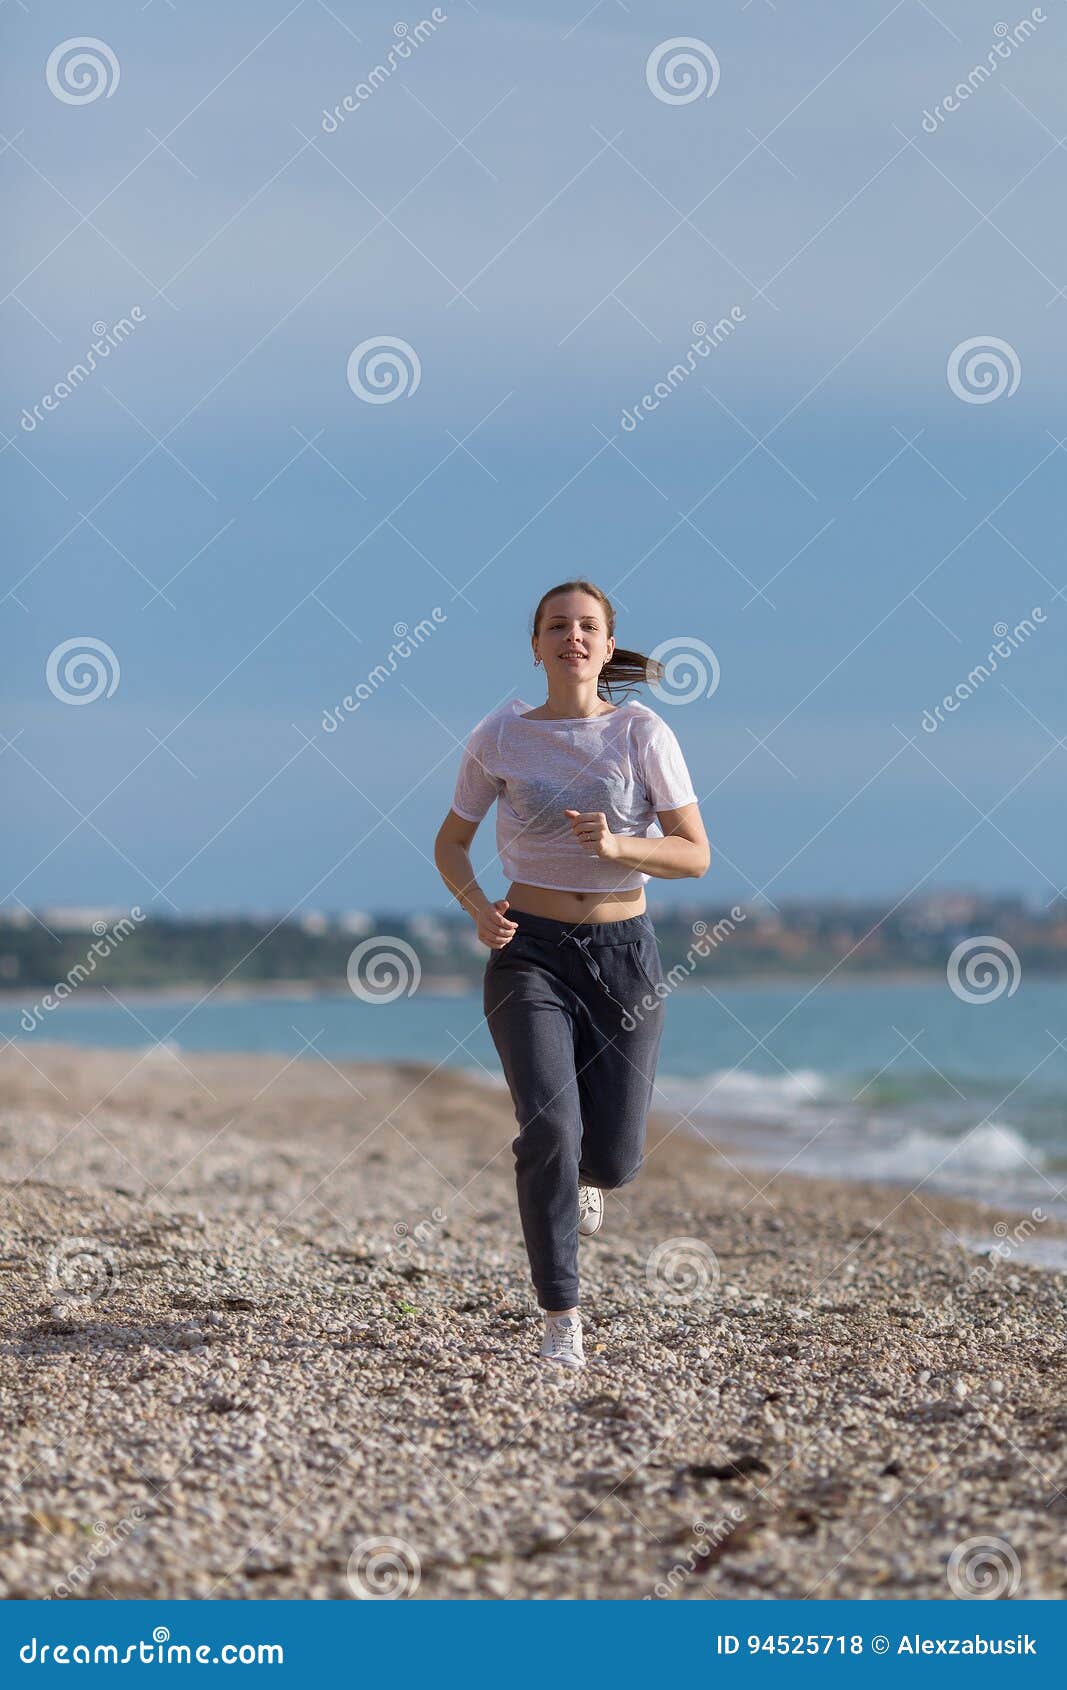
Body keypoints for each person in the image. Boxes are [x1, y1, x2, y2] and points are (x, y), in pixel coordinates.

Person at [434, 580, 710, 1370]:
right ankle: (562, 1316)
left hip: (623, 955)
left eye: (587, 626)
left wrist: (622, 848)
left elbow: (694, 853)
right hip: (528, 950)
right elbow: (450, 843)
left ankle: (589, 1177)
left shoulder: (641, 733)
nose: (572, 637)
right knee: (547, 1130)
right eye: (557, 626)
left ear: (606, 641)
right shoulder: (499, 734)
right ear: (536, 645)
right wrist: (477, 907)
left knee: (614, 1157)